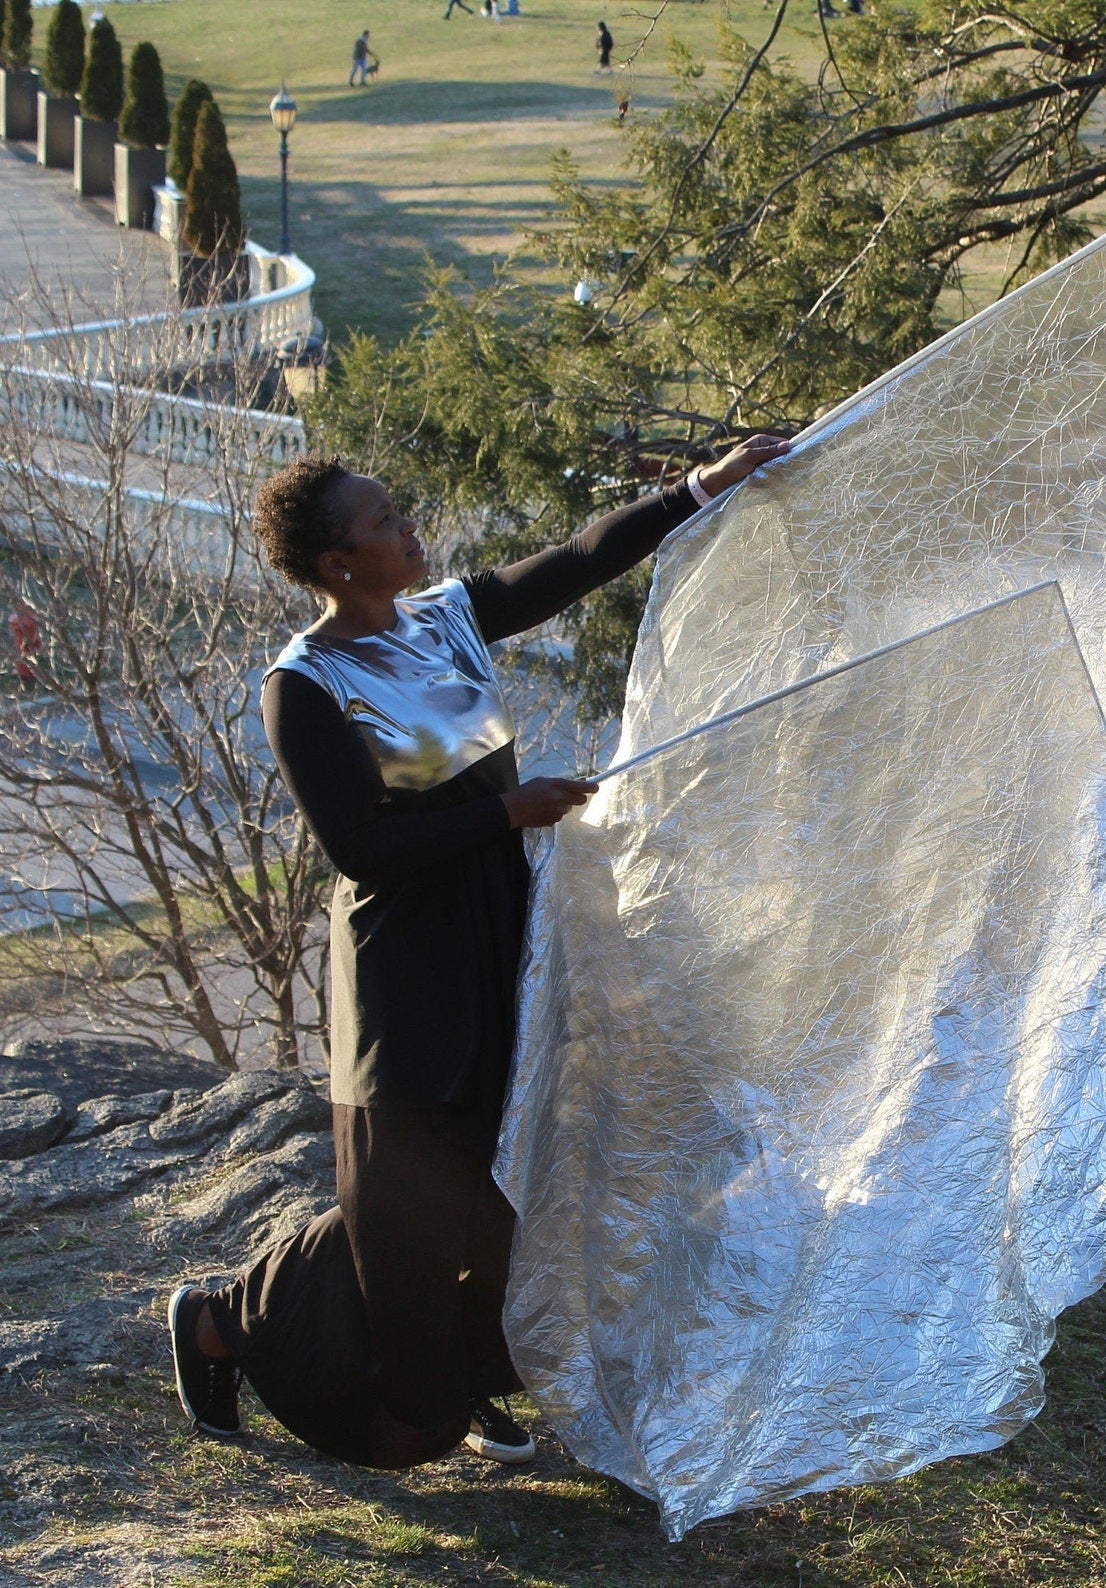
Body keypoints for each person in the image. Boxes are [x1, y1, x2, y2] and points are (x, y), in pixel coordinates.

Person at [165, 436, 791, 1470]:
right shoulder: (304, 684)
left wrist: (697, 488)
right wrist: (509, 807)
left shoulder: (442, 617)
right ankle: (224, 1319)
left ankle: (472, 1361)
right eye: (383, 522)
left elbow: (573, 559)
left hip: (504, 935)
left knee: (509, 1189)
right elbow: (359, 848)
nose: (408, 527)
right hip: (408, 978)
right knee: (416, 1377)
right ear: (337, 565)